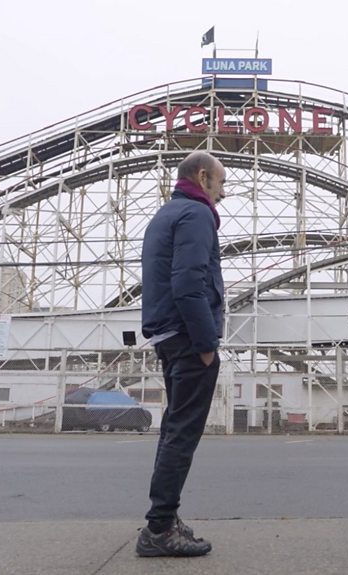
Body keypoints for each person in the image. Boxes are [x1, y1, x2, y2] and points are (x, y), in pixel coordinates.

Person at [136, 151, 226, 557]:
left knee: (174, 429)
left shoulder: (168, 212)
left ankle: (165, 519)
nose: (222, 193)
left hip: (169, 334)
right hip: (190, 338)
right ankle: (158, 529)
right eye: (221, 183)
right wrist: (207, 344)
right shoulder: (196, 214)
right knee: (183, 434)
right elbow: (189, 282)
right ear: (203, 176)